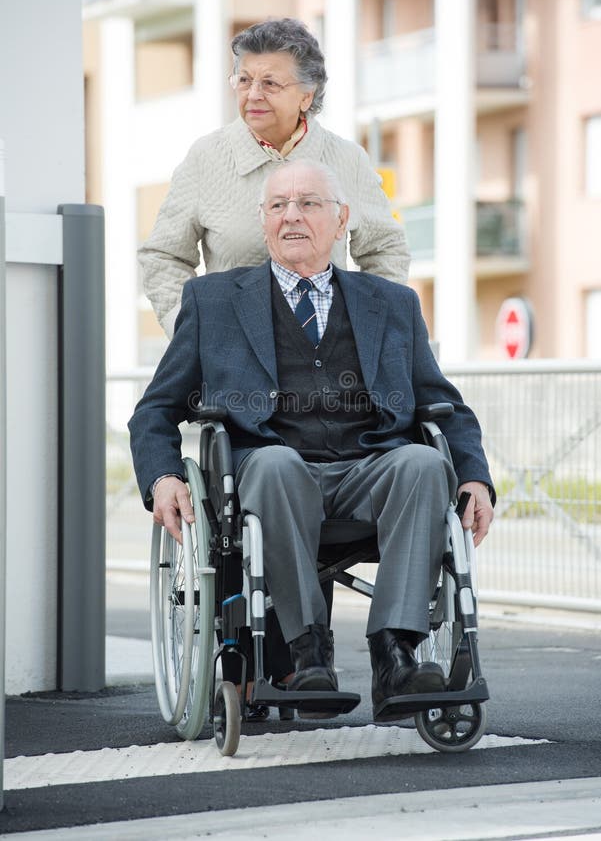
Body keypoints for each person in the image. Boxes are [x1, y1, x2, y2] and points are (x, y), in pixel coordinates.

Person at [129, 160, 494, 721]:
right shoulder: (214, 302)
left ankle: (395, 653)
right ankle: (306, 652)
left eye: (307, 204)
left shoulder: (392, 304)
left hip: (369, 470)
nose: (291, 216)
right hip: (270, 474)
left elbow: (443, 403)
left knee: (422, 463)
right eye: (278, 206)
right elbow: (155, 410)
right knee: (276, 464)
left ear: (341, 219)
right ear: (263, 220)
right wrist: (163, 476)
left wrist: (473, 475)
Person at [138, 17, 410, 340]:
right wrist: (194, 334)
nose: (253, 95)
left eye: (270, 83)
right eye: (244, 80)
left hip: (326, 357)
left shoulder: (347, 160)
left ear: (307, 96)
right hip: (233, 359)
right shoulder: (206, 157)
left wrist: (363, 331)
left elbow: (386, 249)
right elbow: (163, 255)